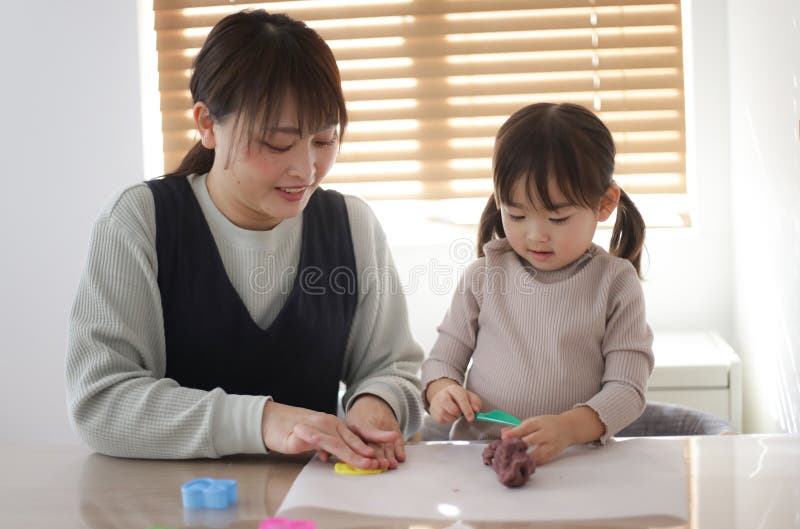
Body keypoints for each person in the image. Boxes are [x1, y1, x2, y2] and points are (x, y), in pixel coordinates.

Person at [66, 10, 423, 470]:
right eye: (278, 144)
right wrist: (262, 421)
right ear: (208, 124)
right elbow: (101, 402)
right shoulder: (140, 222)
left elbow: (393, 370)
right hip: (175, 507)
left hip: (309, 505)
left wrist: (379, 403)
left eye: (324, 140)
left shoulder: (351, 225)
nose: (306, 170)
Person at [421, 102, 654, 465]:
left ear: (605, 203)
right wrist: (443, 391)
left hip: (576, 462)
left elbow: (627, 390)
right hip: (478, 462)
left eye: (558, 218)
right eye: (516, 214)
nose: (536, 235)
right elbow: (440, 363)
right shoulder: (484, 277)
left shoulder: (615, 284)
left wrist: (568, 429)